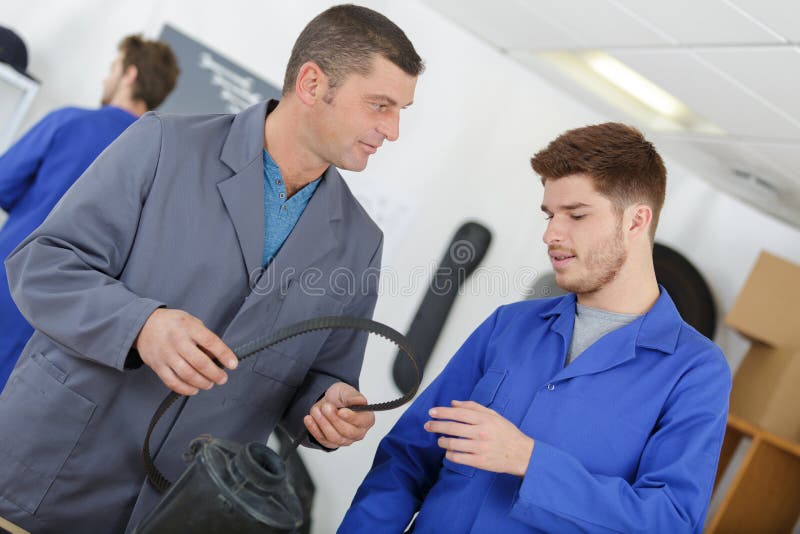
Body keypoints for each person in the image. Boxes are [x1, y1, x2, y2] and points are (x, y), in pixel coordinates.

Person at [0, 5, 422, 533]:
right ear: (313, 83)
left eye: (401, 109)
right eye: (380, 105)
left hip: (185, 509)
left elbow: (324, 377)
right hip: (49, 478)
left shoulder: (359, 244)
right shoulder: (163, 145)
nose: (393, 130)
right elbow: (43, 264)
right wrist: (143, 325)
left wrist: (328, 410)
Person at [340, 123, 731, 533]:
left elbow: (669, 522)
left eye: (576, 215)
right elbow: (408, 458)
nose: (550, 234)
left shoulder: (695, 372)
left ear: (636, 221)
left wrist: (529, 461)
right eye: (549, 215)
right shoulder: (509, 326)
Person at [0, 34, 179, 388]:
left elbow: (5, 184)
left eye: (112, 67)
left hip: (11, 280)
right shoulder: (166, 161)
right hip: (76, 320)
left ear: (129, 74)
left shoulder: (68, 121)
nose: (104, 78)